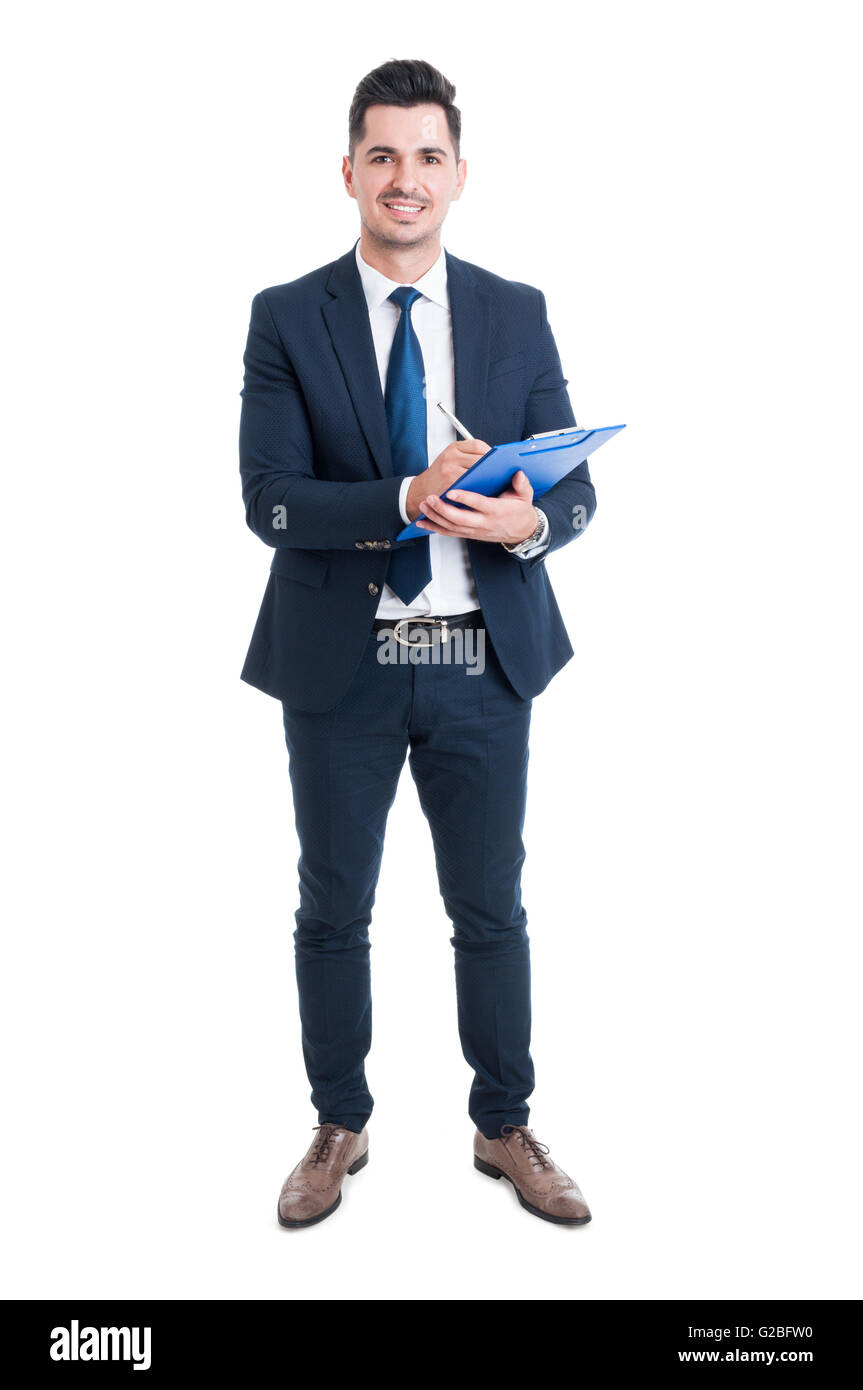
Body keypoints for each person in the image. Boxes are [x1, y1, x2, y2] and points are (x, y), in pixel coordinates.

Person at [238, 58, 597, 1228]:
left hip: (478, 660)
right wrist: (400, 496)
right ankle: (337, 1121)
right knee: (331, 905)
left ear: (458, 174)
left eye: (426, 156)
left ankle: (504, 1124)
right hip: (343, 667)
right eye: (382, 155)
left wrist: (529, 519)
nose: (405, 178)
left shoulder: (514, 309)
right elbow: (270, 498)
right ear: (348, 171)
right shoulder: (288, 316)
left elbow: (574, 483)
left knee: (489, 905)